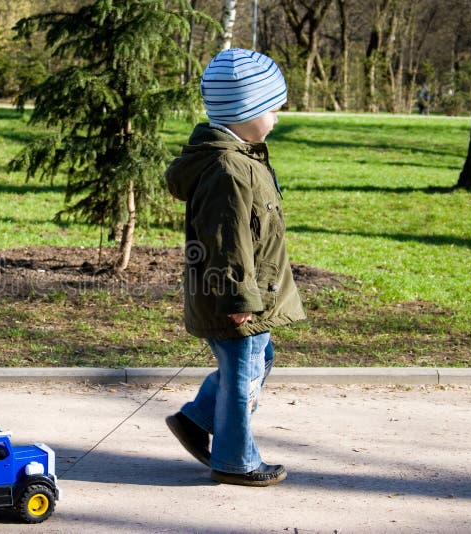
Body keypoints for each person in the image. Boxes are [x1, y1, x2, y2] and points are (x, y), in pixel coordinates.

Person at [164, 48, 306, 487]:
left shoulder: (243, 158)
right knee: (244, 375)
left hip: (249, 293)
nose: (278, 118)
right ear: (245, 111)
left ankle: (197, 419)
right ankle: (235, 460)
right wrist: (237, 299)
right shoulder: (229, 169)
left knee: (255, 361)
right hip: (236, 298)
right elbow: (226, 242)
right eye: (273, 109)